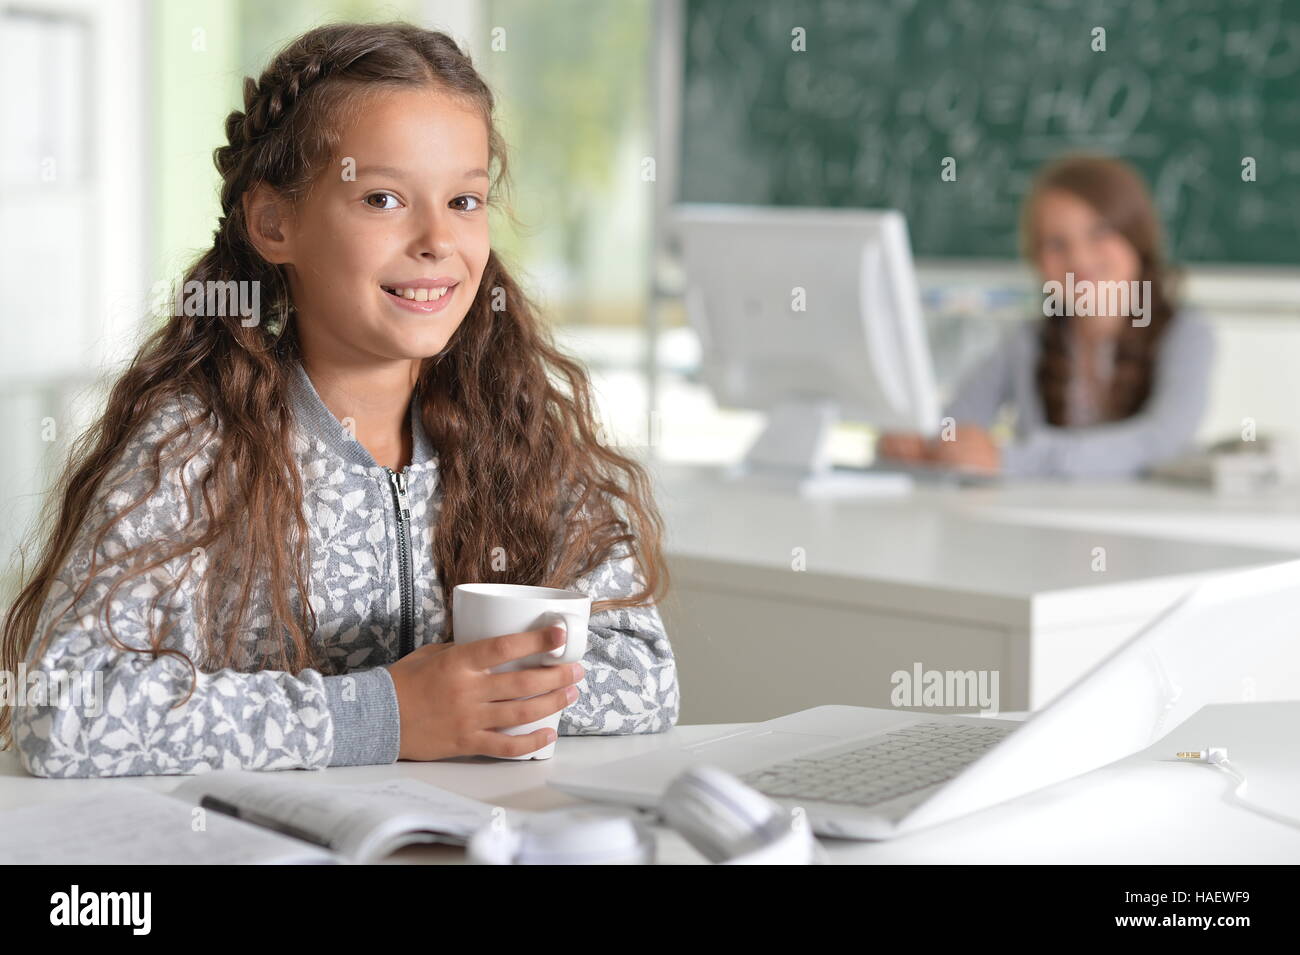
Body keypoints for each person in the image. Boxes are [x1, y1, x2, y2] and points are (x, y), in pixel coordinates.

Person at [1, 22, 678, 777]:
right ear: (273, 223)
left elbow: (645, 672)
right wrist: (385, 712)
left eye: (463, 199)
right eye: (383, 198)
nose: (435, 239)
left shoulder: (514, 428)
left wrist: (465, 703)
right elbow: (57, 707)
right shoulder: (194, 444)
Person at [879, 153, 1214, 478]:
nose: (1079, 259)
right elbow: (956, 421)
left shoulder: (1187, 334)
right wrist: (920, 438)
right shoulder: (1026, 340)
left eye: (1098, 234)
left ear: (1136, 238)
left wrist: (1010, 459)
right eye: (1056, 244)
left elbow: (1161, 441)